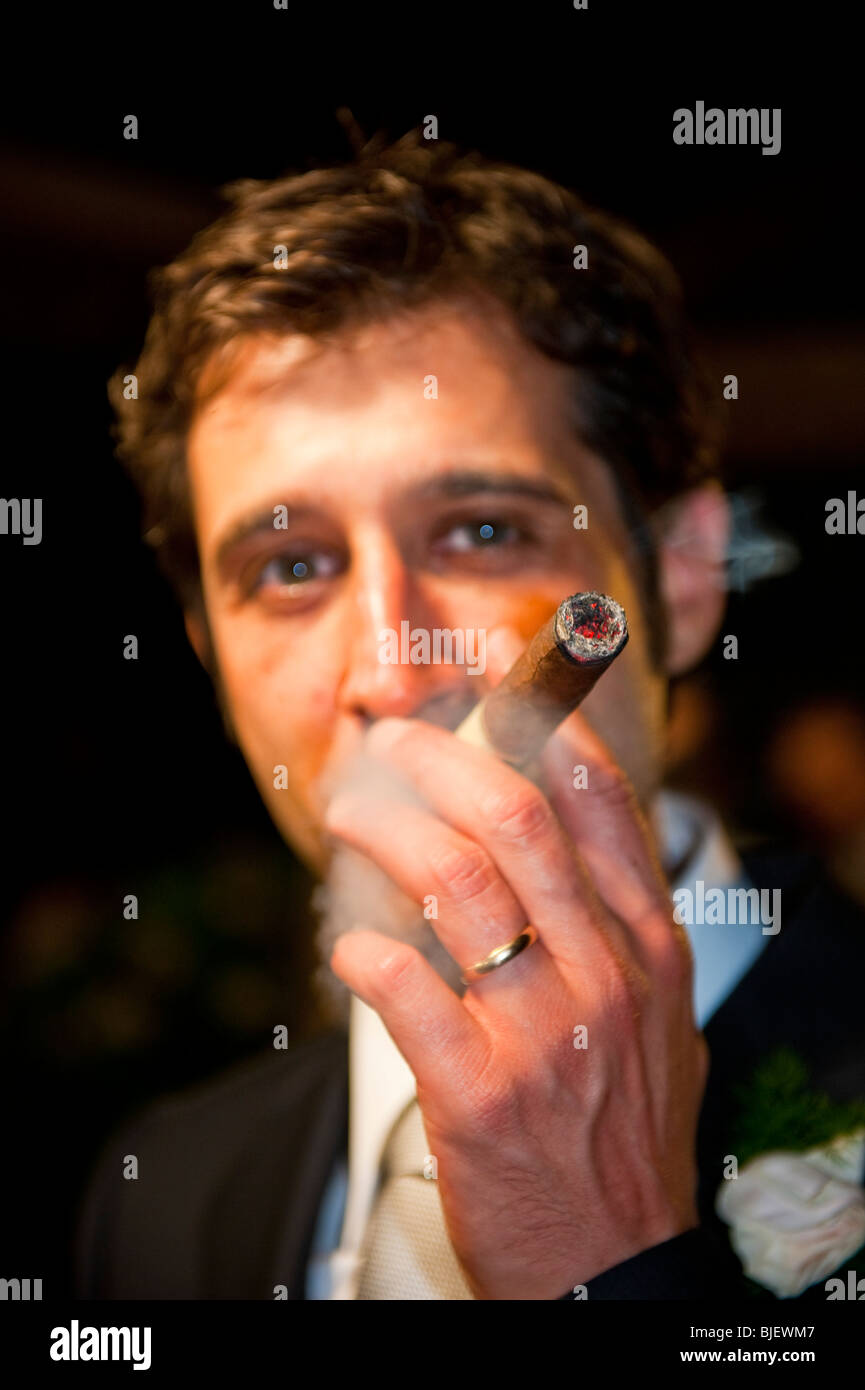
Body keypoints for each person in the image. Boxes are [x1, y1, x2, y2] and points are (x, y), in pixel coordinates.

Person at [74, 130, 865, 1301]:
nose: (395, 667)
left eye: (483, 531)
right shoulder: (164, 1188)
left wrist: (610, 1266)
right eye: (291, 567)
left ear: (685, 579)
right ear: (208, 649)